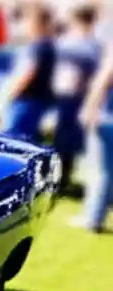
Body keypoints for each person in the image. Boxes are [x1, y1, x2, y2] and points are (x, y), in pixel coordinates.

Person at [53, 4, 102, 192]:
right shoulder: (89, 44)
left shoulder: (79, 43)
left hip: (73, 97)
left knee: (66, 140)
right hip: (68, 95)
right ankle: (62, 177)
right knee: (65, 140)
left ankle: (62, 178)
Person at [0, 4, 55, 142]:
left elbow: (27, 73)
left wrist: (7, 95)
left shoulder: (39, 46)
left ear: (35, 23)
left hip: (26, 102)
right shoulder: (42, 45)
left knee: (16, 142)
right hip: (31, 102)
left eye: (26, 21)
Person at [77, 27, 113, 230]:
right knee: (108, 171)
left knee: (99, 171)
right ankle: (96, 215)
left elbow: (102, 81)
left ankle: (92, 218)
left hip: (104, 116)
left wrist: (89, 109)